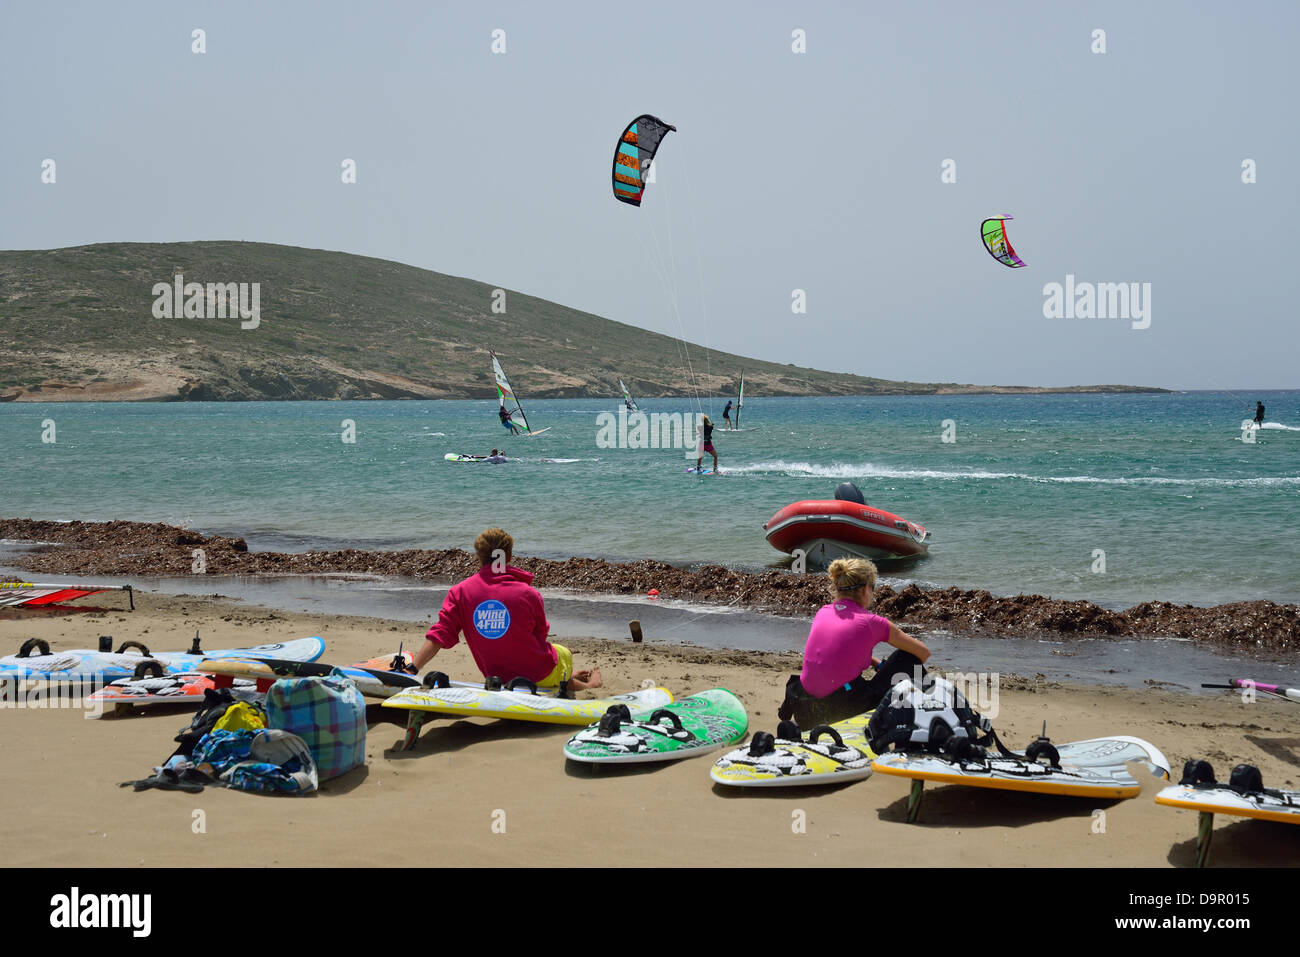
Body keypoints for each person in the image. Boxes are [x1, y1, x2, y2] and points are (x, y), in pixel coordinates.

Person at [412, 528, 602, 692]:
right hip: (537, 673)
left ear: (479, 556)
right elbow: (541, 634)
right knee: (563, 652)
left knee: (548, 659)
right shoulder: (529, 594)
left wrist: (413, 668)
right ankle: (588, 686)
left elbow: (440, 634)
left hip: (497, 676)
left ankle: (565, 675)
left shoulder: (459, 593)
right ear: (508, 557)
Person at [777, 557, 931, 729]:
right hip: (839, 711)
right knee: (907, 658)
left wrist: (876, 663)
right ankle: (924, 719)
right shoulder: (873, 622)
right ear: (866, 589)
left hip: (805, 708)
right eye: (873, 588)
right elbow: (923, 653)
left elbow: (839, 653)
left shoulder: (823, 612)